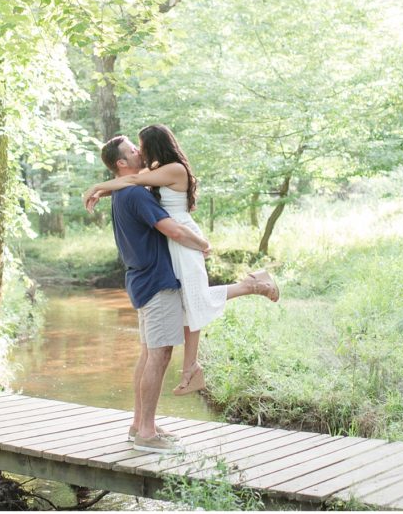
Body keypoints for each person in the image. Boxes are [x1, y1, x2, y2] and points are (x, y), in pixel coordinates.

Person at [85, 125, 278, 397]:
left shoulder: (173, 169)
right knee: (190, 300)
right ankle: (192, 368)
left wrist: (97, 187)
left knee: (195, 299)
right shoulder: (152, 173)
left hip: (184, 236)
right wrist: (101, 190)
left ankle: (254, 286)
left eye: (139, 145)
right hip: (174, 240)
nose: (138, 151)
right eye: (133, 149)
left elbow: (129, 182)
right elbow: (127, 182)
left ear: (154, 145)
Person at [98, 134, 210, 454]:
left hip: (141, 279)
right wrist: (203, 245)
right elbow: (172, 229)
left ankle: (139, 425)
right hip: (157, 281)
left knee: (149, 354)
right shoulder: (135, 194)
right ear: (123, 163)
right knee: (159, 355)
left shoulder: (124, 193)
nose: (139, 151)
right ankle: (147, 432)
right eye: (133, 150)